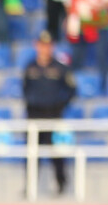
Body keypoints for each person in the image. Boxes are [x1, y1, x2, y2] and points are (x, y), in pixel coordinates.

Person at [23, 32, 76, 195]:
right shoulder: (30, 67)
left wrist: (61, 105)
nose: (44, 48)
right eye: (41, 45)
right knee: (32, 153)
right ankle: (29, 187)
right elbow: (25, 88)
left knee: (57, 153)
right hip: (34, 115)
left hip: (54, 114)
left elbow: (72, 89)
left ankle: (61, 184)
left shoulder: (60, 67)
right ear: (36, 46)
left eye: (48, 45)